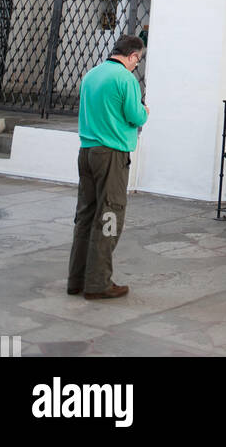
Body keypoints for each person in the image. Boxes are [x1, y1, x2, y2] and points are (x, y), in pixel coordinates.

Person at [67, 34, 149, 300]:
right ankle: (99, 282)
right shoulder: (125, 79)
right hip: (111, 153)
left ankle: (76, 280)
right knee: (111, 215)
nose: (137, 65)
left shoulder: (92, 74)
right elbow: (134, 116)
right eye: (138, 60)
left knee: (85, 214)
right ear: (133, 56)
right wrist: (145, 111)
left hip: (87, 150)